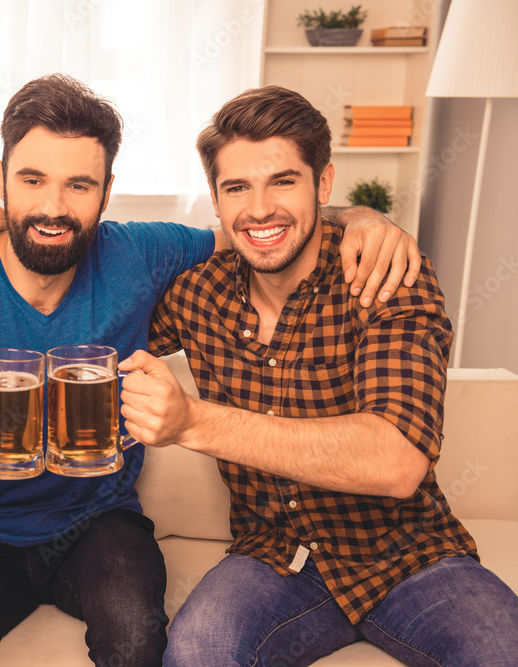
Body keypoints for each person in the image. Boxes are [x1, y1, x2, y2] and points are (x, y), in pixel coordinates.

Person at [0, 74, 417, 667]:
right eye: (32, 180)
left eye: (79, 185)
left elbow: (257, 227)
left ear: (107, 192)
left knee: (137, 640)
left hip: (103, 523)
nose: (53, 207)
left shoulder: (138, 254)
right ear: (0, 179)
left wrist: (361, 218)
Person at [118, 85, 518, 666]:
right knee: (198, 650)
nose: (259, 209)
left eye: (283, 181)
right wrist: (20, 229)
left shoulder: (387, 277)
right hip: (276, 555)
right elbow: (92, 323)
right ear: (216, 198)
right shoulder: (195, 293)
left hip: (412, 556)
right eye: (238, 187)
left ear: (323, 183)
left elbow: (397, 461)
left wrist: (194, 422)